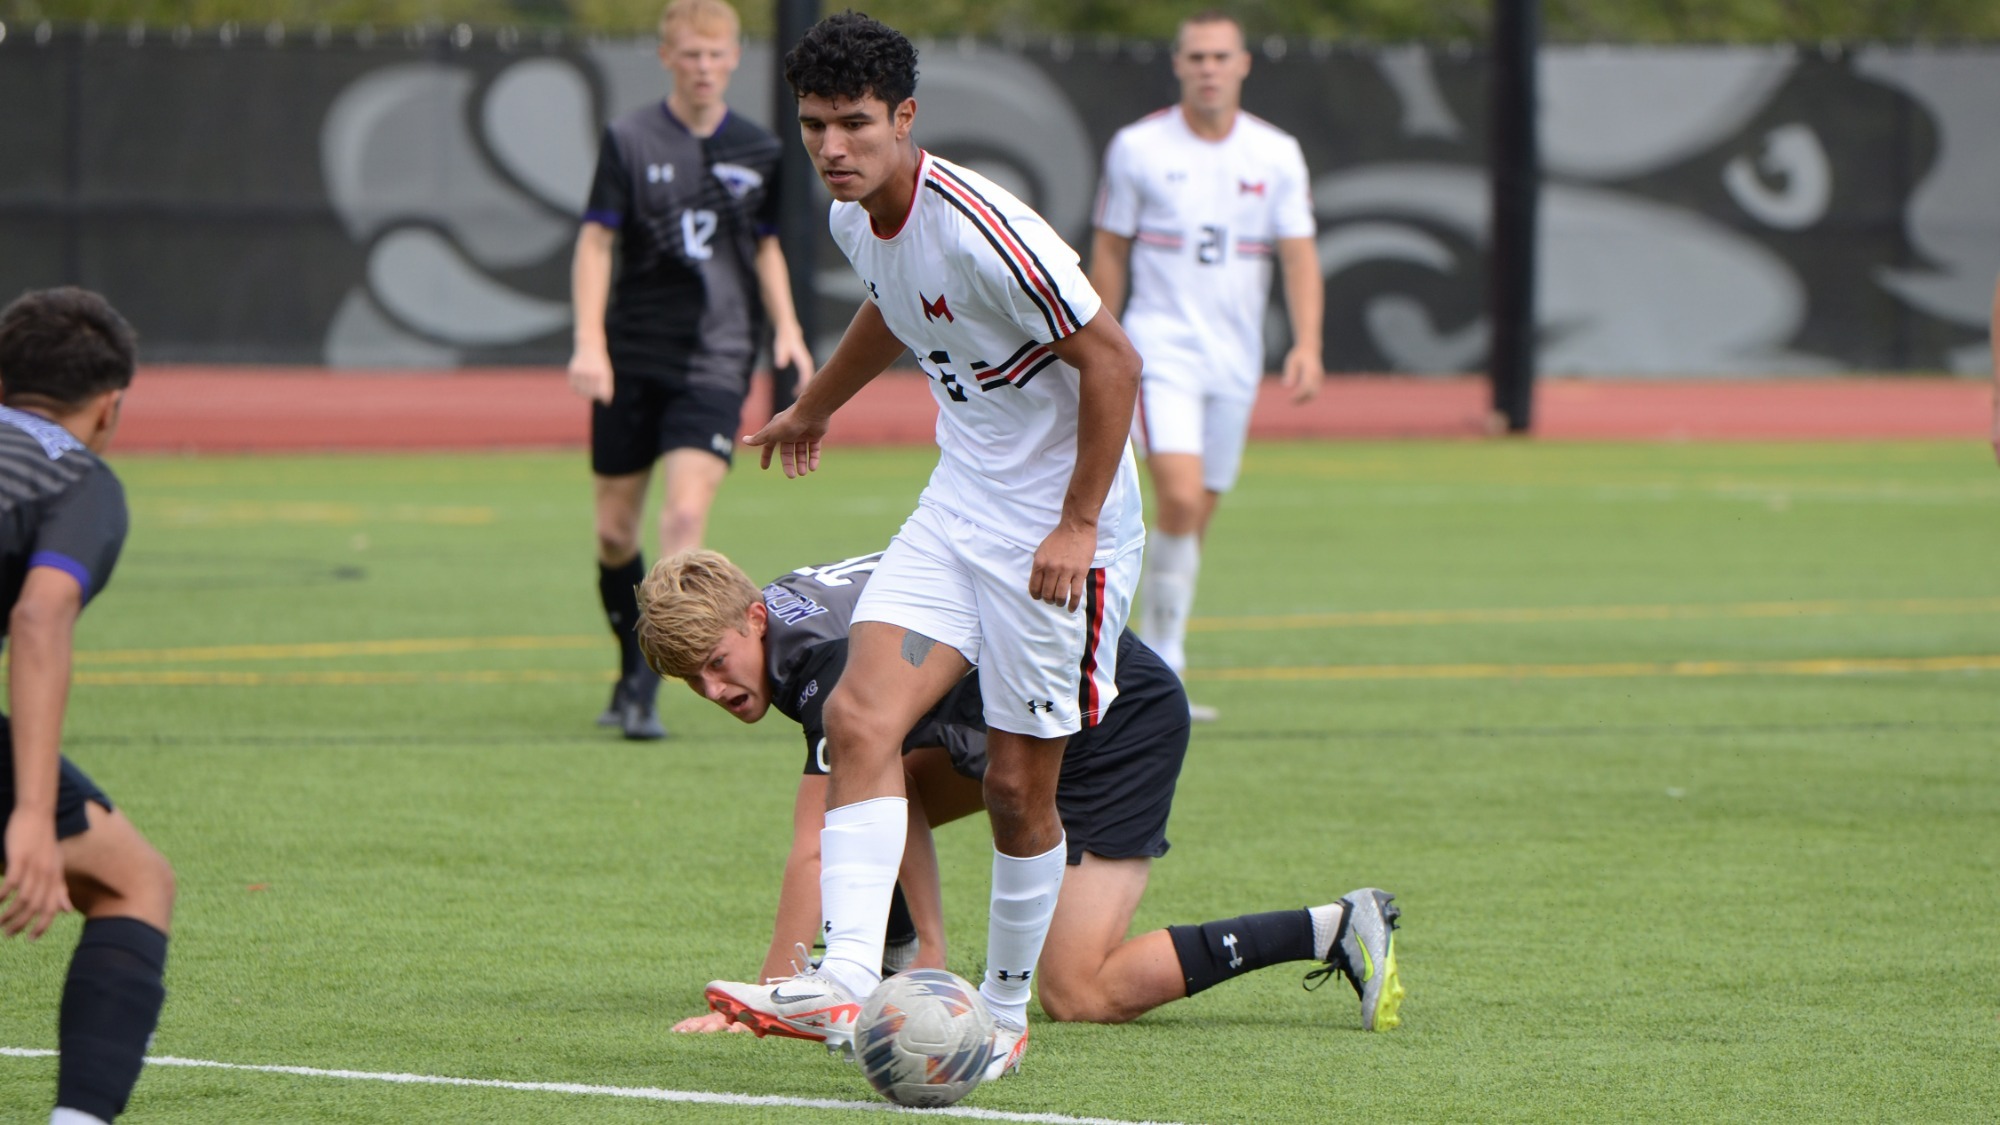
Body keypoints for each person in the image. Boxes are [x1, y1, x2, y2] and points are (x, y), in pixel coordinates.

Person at [703, 12, 1148, 1078]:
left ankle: (999, 1016)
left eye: (856, 124)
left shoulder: (985, 228)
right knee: (861, 715)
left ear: (906, 120)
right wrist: (813, 407)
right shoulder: (857, 216)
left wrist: (1075, 523)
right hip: (956, 509)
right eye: (814, 125)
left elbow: (1114, 364)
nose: (832, 147)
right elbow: (895, 311)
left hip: (1056, 531)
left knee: (1013, 792)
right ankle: (849, 975)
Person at [639, 549, 1403, 1056]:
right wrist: (931, 952)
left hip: (1111, 722)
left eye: (715, 663)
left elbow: (817, 844)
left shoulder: (816, 661)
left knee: (1079, 991)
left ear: (753, 618)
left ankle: (1331, 928)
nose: (714, 689)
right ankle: (902, 958)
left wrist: (765, 1004)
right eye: (691, 682)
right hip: (1016, 718)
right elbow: (885, 786)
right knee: (875, 788)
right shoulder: (783, 606)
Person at [567, 0, 816, 741]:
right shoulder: (629, 139)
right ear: (667, 57)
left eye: (716, 55)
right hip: (633, 355)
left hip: (716, 360)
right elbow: (594, 243)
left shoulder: (759, 149)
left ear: (735, 58)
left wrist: (791, 329)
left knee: (681, 518)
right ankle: (630, 658)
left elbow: (768, 247)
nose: (704, 67)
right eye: (691, 55)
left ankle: (649, 683)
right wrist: (588, 340)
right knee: (615, 532)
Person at [1088, 10, 1325, 723]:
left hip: (1235, 356)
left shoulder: (1276, 153)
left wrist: (1307, 343)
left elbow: (1299, 255)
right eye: (1197, 56)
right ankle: (1164, 664)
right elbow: (1110, 249)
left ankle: (1156, 650)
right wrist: (1097, 346)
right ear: (1179, 64)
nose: (1209, 68)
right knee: (1182, 499)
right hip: (1162, 349)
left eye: (1221, 56)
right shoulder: (1138, 148)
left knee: (1197, 510)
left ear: (1243, 64)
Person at [0, 288, 176, 1125]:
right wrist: (33, 813)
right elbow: (39, 613)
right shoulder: (78, 479)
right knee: (134, 881)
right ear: (110, 407)